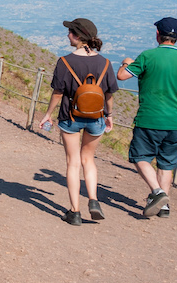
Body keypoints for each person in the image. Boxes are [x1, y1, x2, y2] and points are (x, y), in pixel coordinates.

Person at [117, 17, 177, 219]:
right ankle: (163, 207)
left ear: (158, 34)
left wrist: (126, 63)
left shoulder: (147, 56)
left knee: (140, 157)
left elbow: (122, 76)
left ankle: (158, 193)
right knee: (166, 164)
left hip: (150, 119)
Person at [36, 19, 118, 225]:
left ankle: (75, 212)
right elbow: (109, 94)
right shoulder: (105, 63)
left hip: (70, 118)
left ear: (78, 36)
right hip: (96, 118)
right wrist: (109, 115)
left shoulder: (65, 62)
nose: (67, 36)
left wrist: (48, 114)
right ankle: (93, 200)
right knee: (88, 160)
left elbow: (57, 93)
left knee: (73, 163)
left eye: (70, 32)